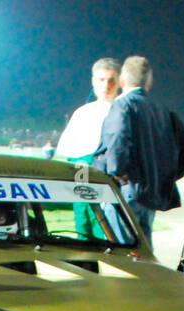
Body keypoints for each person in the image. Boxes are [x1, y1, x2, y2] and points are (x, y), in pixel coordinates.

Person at [95, 55, 184, 243]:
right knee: (143, 252)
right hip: (150, 195)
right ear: (149, 82)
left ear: (122, 80)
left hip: (126, 192)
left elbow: (118, 139)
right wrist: (167, 176)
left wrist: (117, 171)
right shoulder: (163, 110)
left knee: (124, 255)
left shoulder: (122, 105)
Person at [57, 58, 121, 239]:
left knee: (107, 227)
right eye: (101, 80)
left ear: (119, 82)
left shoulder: (124, 112)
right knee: (82, 220)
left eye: (111, 80)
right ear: (93, 82)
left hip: (111, 180)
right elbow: (69, 152)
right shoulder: (83, 113)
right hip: (82, 174)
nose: (106, 85)